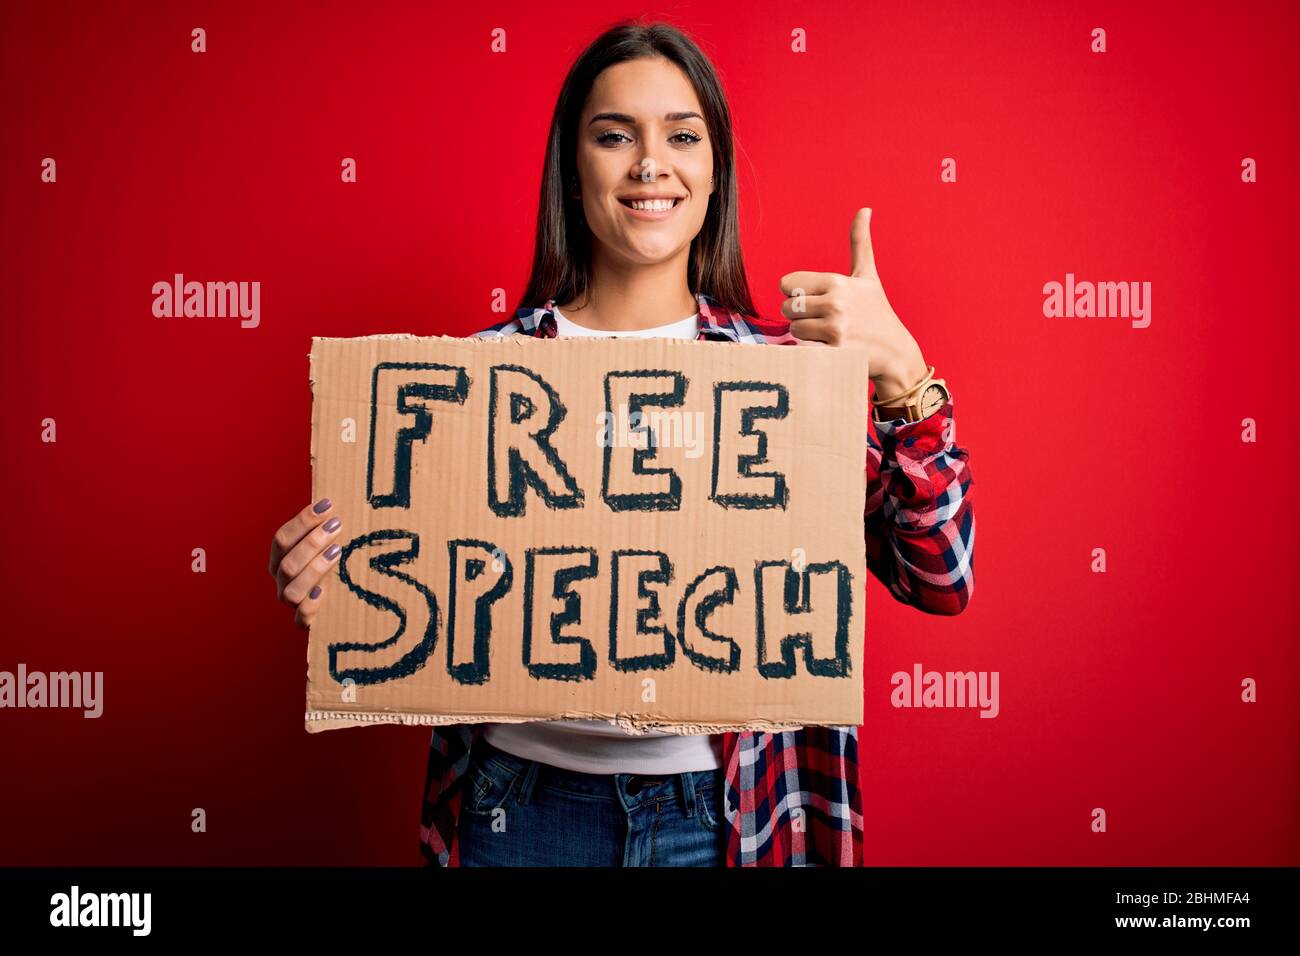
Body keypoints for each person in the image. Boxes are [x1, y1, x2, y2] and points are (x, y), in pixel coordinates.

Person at [267, 20, 975, 867]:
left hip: (726, 819)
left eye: (681, 135)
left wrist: (905, 380)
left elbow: (941, 578)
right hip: (516, 814)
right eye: (613, 136)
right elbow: (405, 579)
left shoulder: (786, 385)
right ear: (574, 168)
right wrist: (332, 579)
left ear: (714, 173)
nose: (649, 163)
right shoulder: (484, 379)